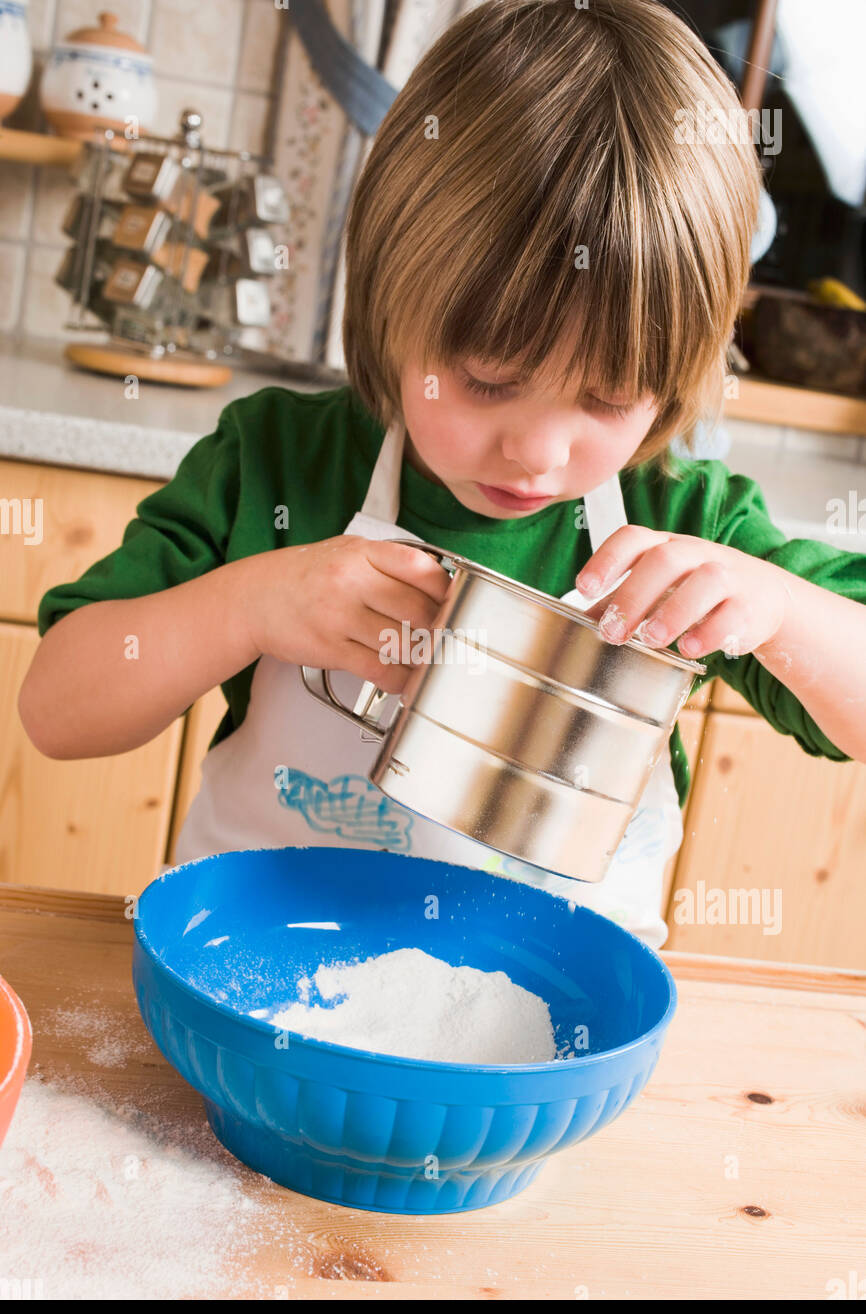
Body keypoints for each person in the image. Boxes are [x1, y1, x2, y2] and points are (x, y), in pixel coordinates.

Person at [19, 0, 866, 950]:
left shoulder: (685, 520)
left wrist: (779, 611)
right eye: (488, 382)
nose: (539, 453)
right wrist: (247, 606)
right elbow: (58, 711)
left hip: (539, 1043)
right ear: (391, 302)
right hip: (264, 993)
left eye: (611, 398)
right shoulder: (278, 463)